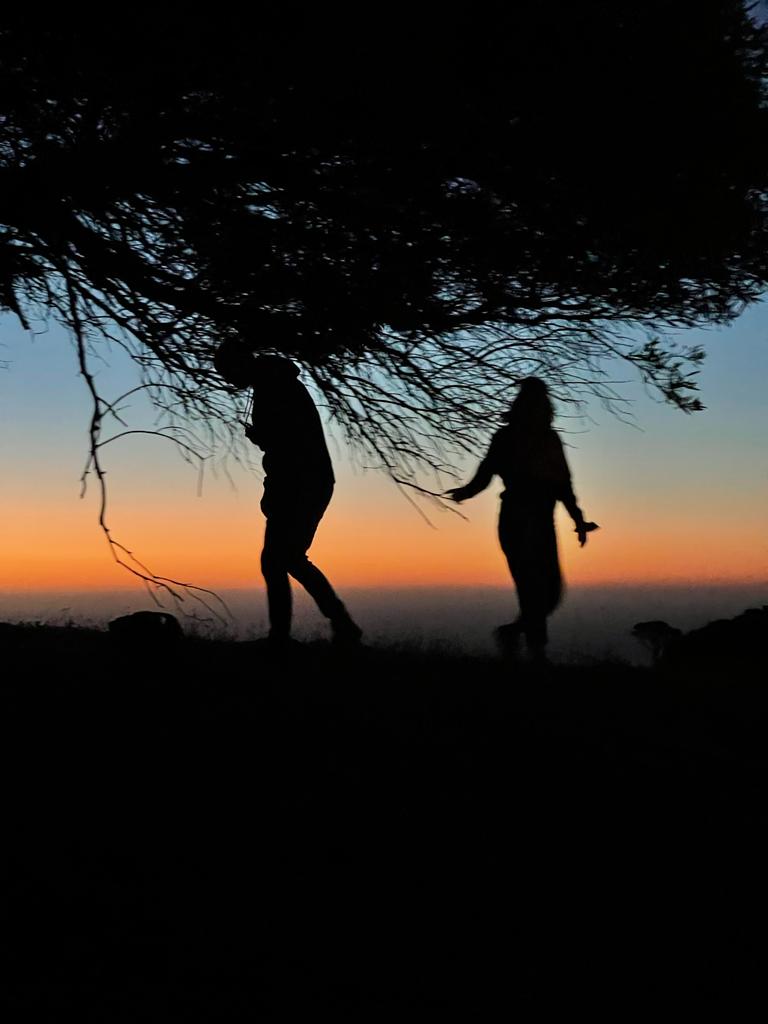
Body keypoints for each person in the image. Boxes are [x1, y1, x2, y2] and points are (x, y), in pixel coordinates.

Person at [214, 339, 362, 646]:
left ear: (239, 364)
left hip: (301, 482)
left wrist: (262, 438)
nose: (229, 380)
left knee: (280, 560)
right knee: (287, 560)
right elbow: (287, 437)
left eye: (228, 372)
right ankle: (336, 626)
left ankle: (292, 634)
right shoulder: (273, 382)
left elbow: (287, 440)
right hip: (305, 481)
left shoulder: (272, 386)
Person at [446, 377, 598, 661]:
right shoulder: (506, 437)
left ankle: (515, 634)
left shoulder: (550, 439)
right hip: (517, 518)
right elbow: (486, 472)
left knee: (550, 590)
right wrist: (466, 492)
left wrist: (578, 519)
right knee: (531, 588)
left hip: (542, 520)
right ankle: (536, 652)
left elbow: (564, 484)